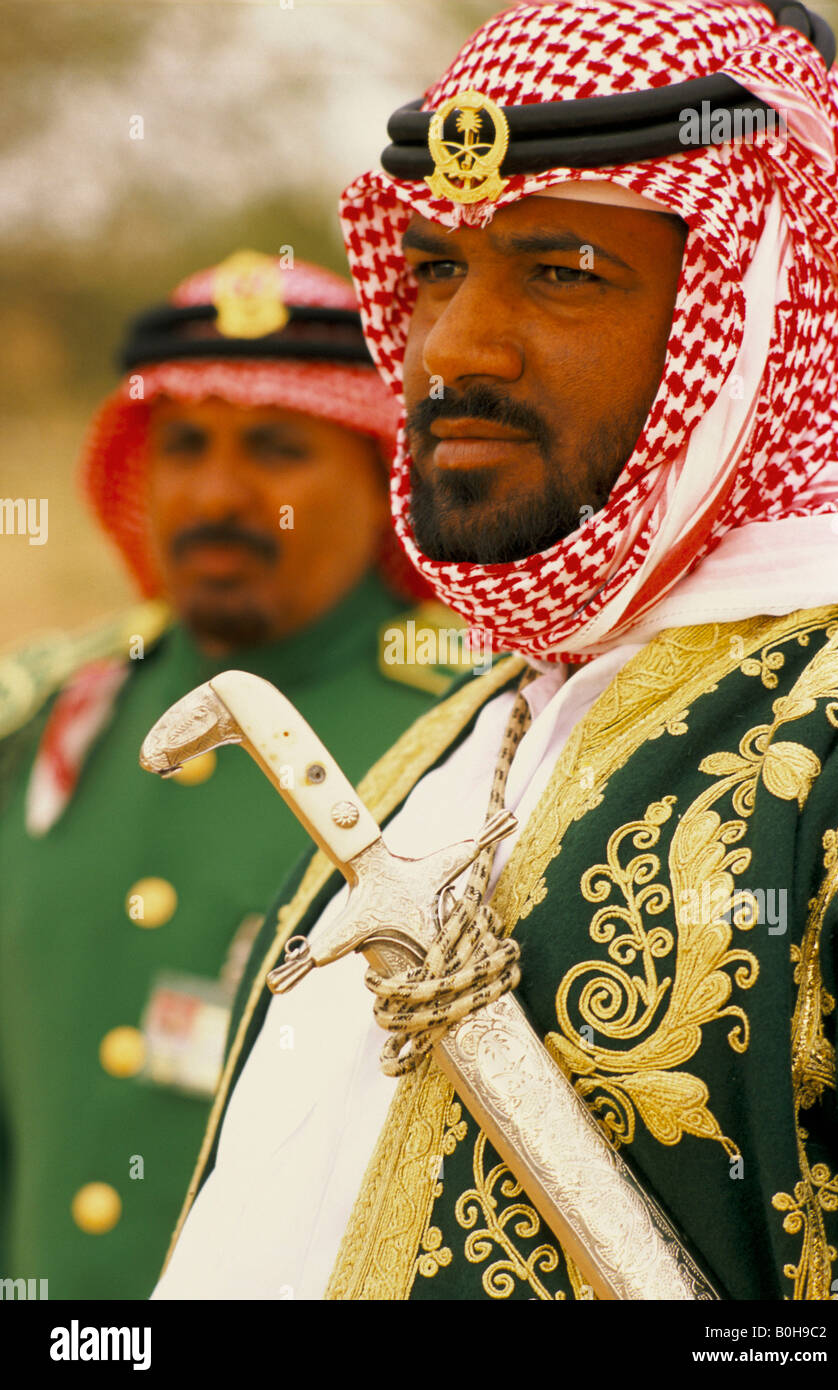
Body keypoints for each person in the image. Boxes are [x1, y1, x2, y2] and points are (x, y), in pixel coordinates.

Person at [154, 0, 838, 1302]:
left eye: (561, 273)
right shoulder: (463, 727)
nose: (449, 350)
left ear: (754, 308)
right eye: (436, 267)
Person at [0, 250, 456, 1299]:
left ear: (384, 473)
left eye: (278, 448)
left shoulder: (469, 729)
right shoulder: (49, 720)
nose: (218, 492)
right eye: (185, 445)